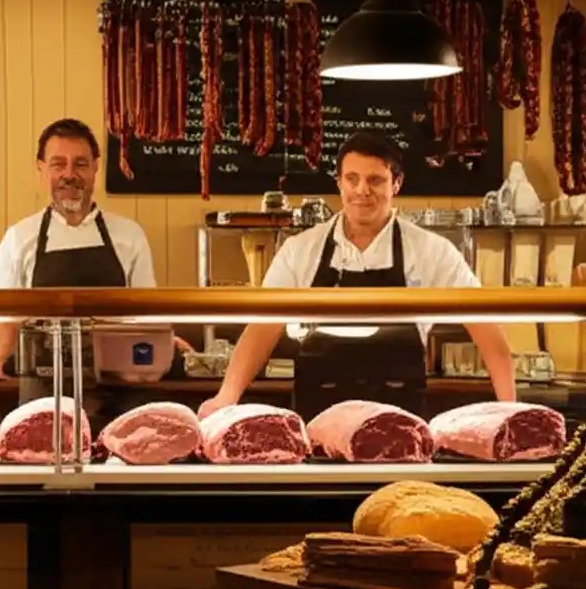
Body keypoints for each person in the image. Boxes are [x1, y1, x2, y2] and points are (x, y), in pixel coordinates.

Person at [197, 131, 516, 419]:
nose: (362, 190)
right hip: (317, 415)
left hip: (399, 420)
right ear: (339, 183)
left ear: (397, 184)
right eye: (352, 179)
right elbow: (262, 328)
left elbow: (485, 325)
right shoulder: (300, 249)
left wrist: (510, 409)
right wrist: (226, 396)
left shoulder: (432, 250)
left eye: (375, 180)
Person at [0, 118, 179, 381]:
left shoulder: (129, 236)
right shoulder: (19, 238)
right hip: (42, 383)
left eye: (81, 164)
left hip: (118, 382)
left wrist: (167, 347)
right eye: (58, 164)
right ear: (41, 168)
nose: (69, 174)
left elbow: (148, 318)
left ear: (96, 167)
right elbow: (5, 317)